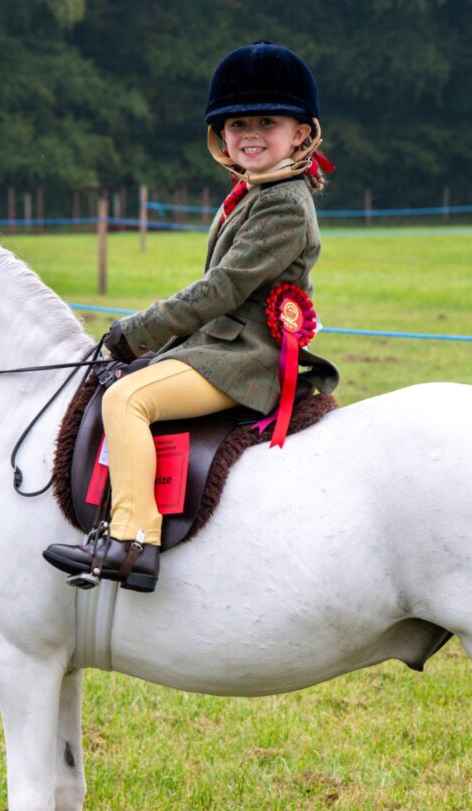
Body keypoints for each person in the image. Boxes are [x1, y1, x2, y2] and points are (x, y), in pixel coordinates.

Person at [44, 41, 339, 592]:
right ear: (219, 133)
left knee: (126, 399)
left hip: (244, 360)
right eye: (236, 122)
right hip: (217, 347)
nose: (249, 134)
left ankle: (134, 540)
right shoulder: (251, 193)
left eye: (267, 122)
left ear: (301, 132)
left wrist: (138, 332)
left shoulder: (282, 205)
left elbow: (221, 290)